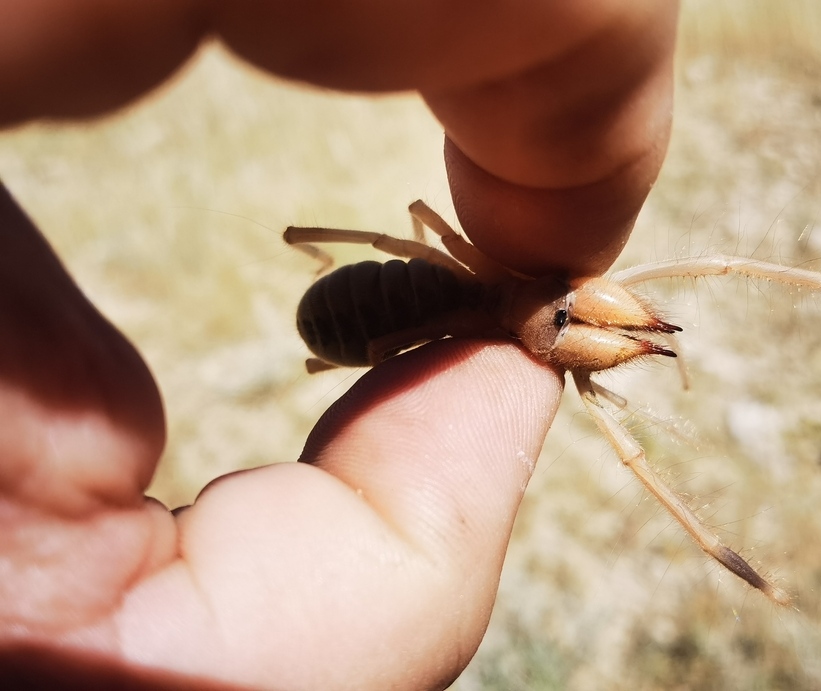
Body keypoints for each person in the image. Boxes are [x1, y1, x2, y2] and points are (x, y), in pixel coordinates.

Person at [0, 1, 677, 688]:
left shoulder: (502, 313)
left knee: (407, 303)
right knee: (405, 309)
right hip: (353, 310)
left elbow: (419, 225)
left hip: (376, 308)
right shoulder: (503, 318)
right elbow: (413, 237)